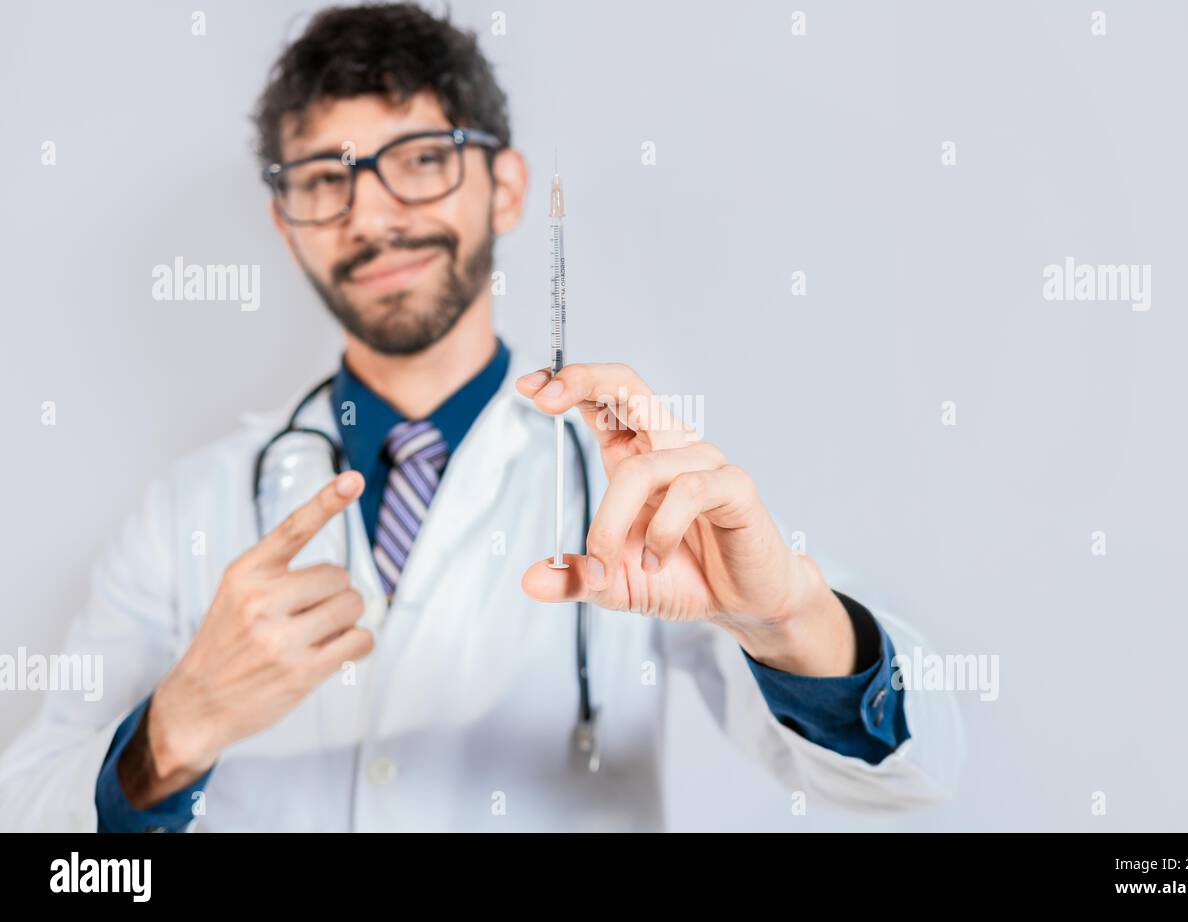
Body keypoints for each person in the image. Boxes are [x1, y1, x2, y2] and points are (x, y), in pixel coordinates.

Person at [0, 3, 960, 832]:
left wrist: (786, 619)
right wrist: (173, 732)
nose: (370, 217)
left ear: (504, 189)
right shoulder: (189, 508)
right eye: (324, 181)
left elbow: (903, 781)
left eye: (418, 160)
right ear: (287, 225)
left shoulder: (639, 481)